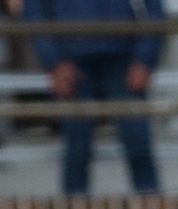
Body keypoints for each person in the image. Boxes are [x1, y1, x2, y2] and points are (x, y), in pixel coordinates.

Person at [23, 0, 163, 194]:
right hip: (71, 60)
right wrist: (54, 61)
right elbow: (34, 10)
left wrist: (144, 59)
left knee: (138, 142)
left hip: (124, 59)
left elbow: (155, 9)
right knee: (76, 149)